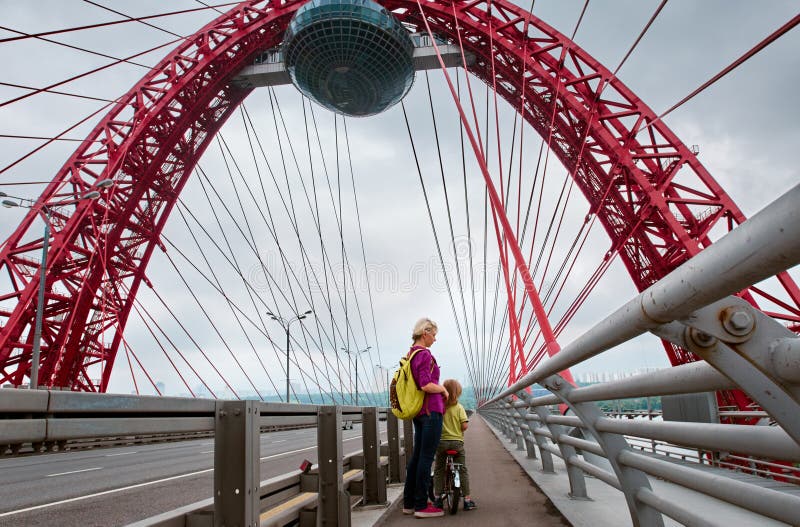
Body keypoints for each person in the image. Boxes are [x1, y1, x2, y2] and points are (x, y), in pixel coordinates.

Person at [402, 318, 449, 518]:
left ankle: (410, 503)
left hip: (420, 412)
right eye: (434, 335)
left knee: (417, 458)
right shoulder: (424, 354)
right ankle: (422, 506)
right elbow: (425, 384)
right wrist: (444, 389)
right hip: (431, 412)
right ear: (425, 333)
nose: (435, 339)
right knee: (426, 458)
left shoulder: (410, 354)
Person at [433, 379, 477, 511]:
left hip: (441, 443)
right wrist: (458, 430)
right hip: (457, 443)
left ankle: (437, 499)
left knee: (439, 469)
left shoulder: (440, 407)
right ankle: (467, 500)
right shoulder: (459, 408)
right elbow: (464, 426)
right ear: (458, 393)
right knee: (462, 469)